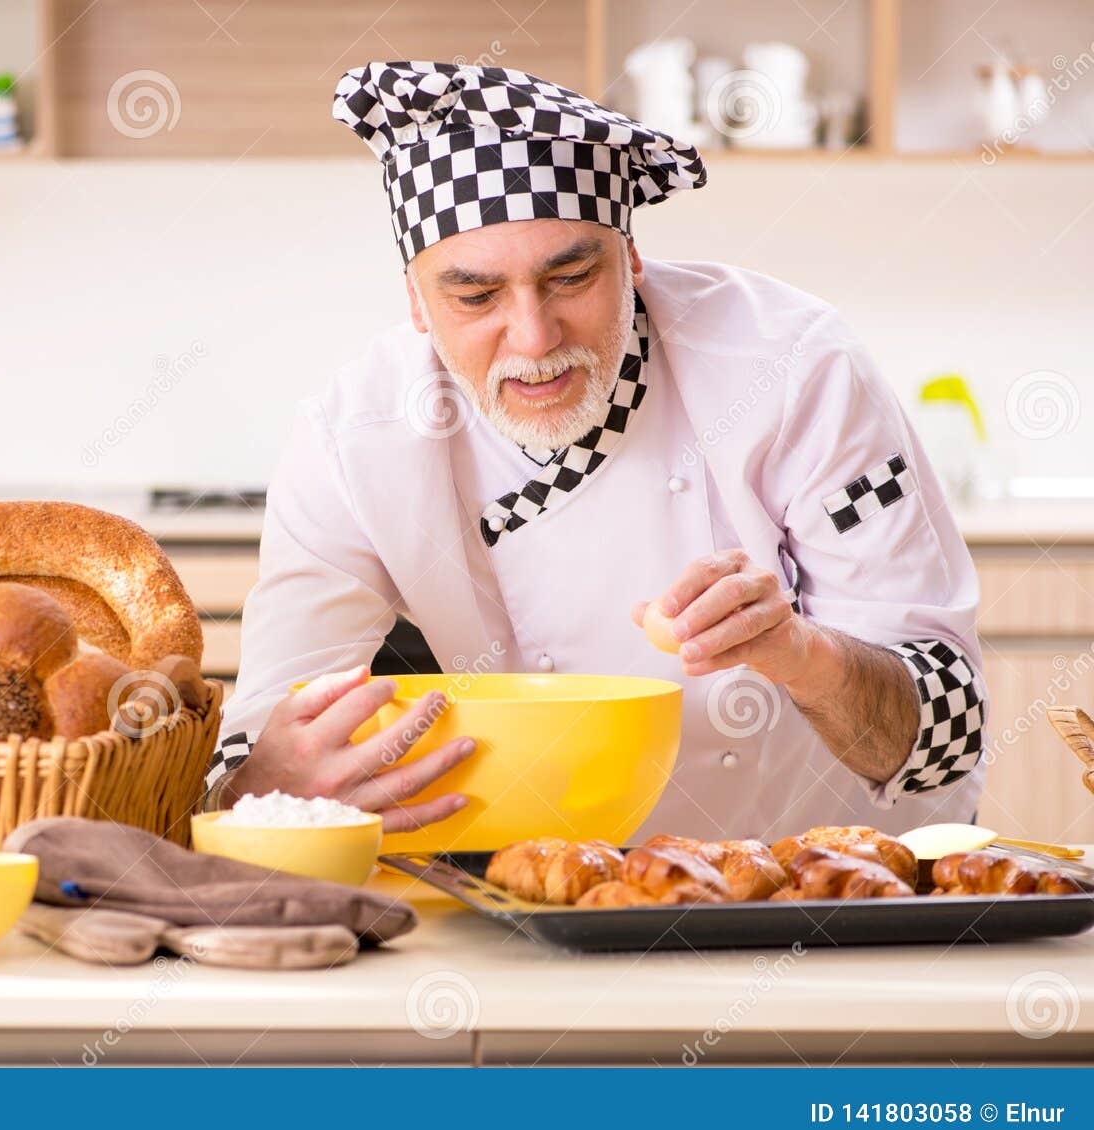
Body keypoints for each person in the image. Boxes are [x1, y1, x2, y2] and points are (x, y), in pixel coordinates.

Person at [203, 62, 984, 840]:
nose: (535, 337)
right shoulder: (358, 441)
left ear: (631, 259)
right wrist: (268, 783)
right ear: (415, 300)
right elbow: (256, 747)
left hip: (823, 891)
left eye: (571, 277)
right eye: (475, 297)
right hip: (563, 890)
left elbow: (948, 736)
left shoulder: (791, 368)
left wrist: (795, 651)